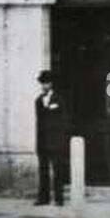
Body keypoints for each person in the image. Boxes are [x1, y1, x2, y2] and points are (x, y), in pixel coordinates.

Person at [34, 70, 71, 206]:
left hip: (56, 141)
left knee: (58, 170)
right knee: (43, 170)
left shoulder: (60, 99)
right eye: (43, 83)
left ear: (52, 84)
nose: (44, 86)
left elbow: (65, 120)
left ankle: (59, 198)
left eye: (47, 83)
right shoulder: (38, 101)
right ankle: (43, 198)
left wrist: (62, 139)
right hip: (43, 141)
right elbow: (39, 122)